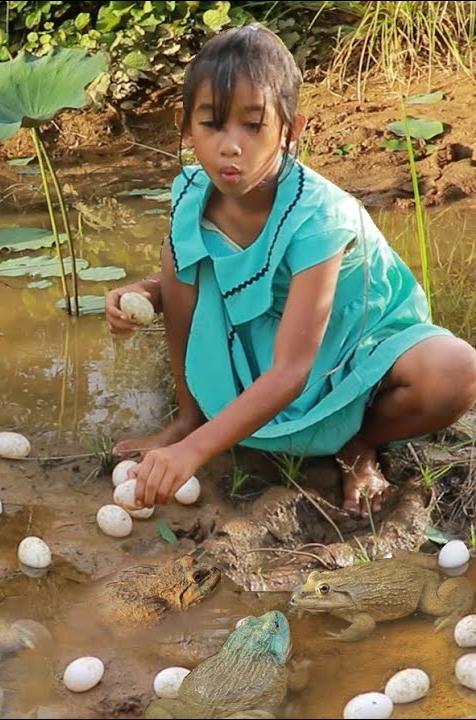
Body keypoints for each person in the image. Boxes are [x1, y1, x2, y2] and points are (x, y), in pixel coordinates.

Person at [104, 22, 476, 519]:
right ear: (185, 125)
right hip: (267, 327)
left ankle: (356, 441)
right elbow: (201, 271)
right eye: (212, 124)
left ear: (290, 130)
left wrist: (193, 456)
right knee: (177, 253)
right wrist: (150, 292)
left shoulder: (320, 217)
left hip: (350, 337)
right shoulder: (191, 192)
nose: (230, 146)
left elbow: (292, 372)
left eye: (252, 125)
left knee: (458, 372)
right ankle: (189, 417)